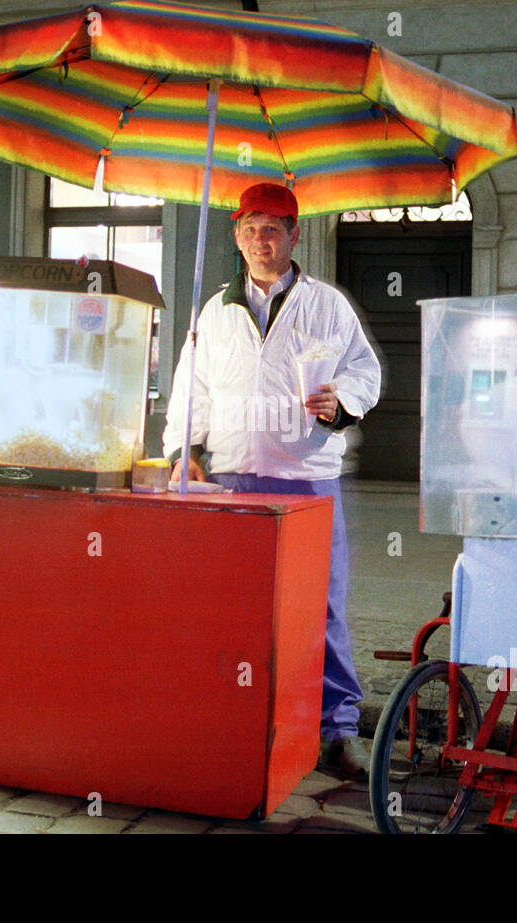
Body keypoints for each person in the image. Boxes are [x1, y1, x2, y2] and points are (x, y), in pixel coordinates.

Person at [163, 182, 382, 778]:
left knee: (322, 607)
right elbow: (193, 387)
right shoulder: (214, 311)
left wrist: (343, 401)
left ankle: (337, 730)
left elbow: (366, 370)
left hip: (305, 477)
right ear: (237, 236)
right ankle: (233, 715)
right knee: (233, 604)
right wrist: (184, 449)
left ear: (294, 235)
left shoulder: (326, 305)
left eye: (274, 229)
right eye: (251, 229)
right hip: (232, 477)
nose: (262, 240)